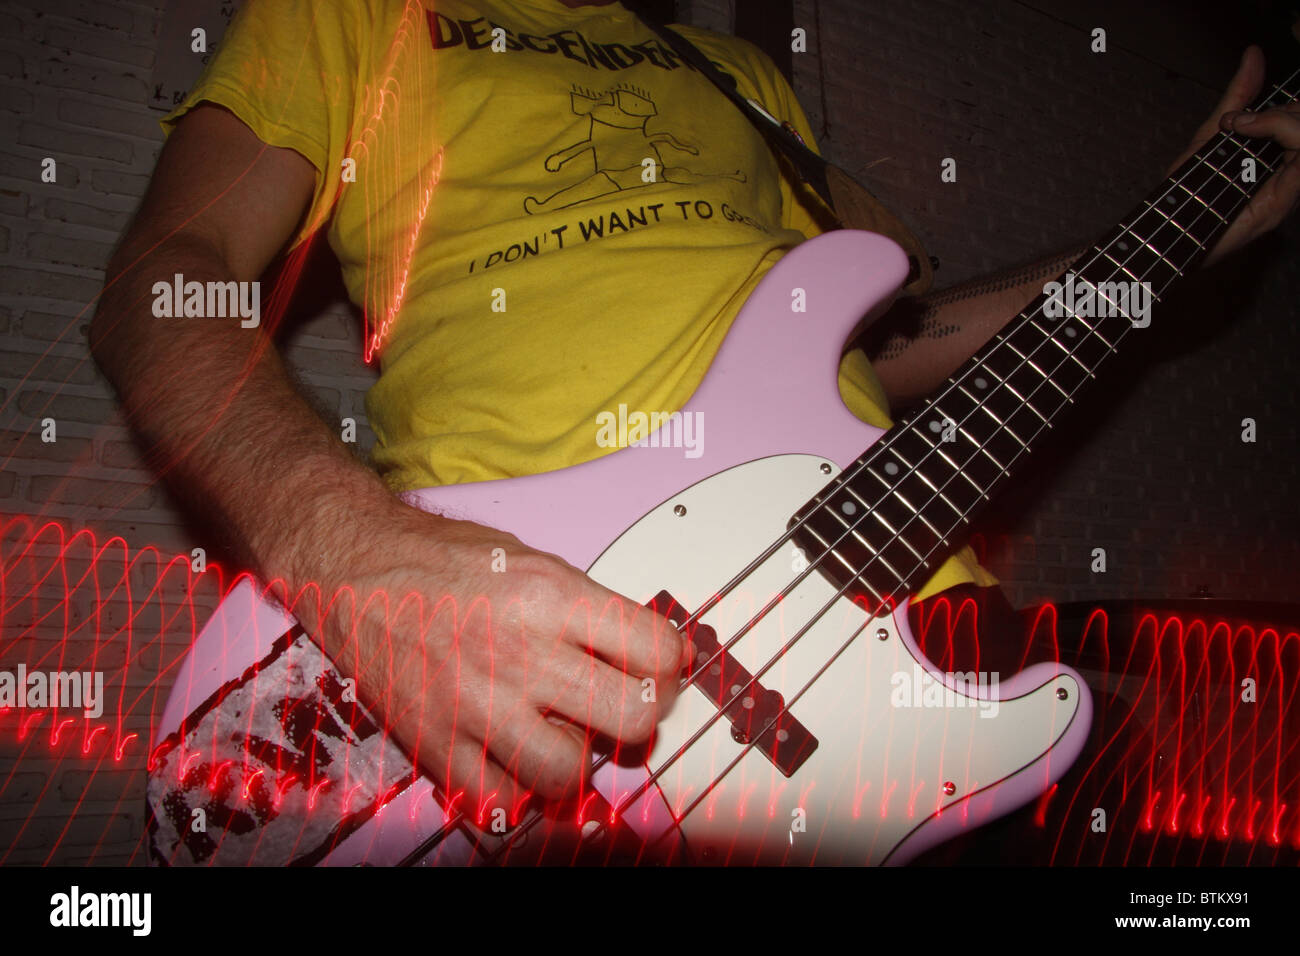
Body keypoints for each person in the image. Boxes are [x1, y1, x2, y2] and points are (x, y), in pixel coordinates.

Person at [91, 0, 1299, 859]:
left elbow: (883, 340)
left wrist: (1171, 239)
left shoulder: (740, 78)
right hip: (557, 662)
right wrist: (356, 560)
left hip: (934, 649)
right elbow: (165, 278)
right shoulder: (356, 15)